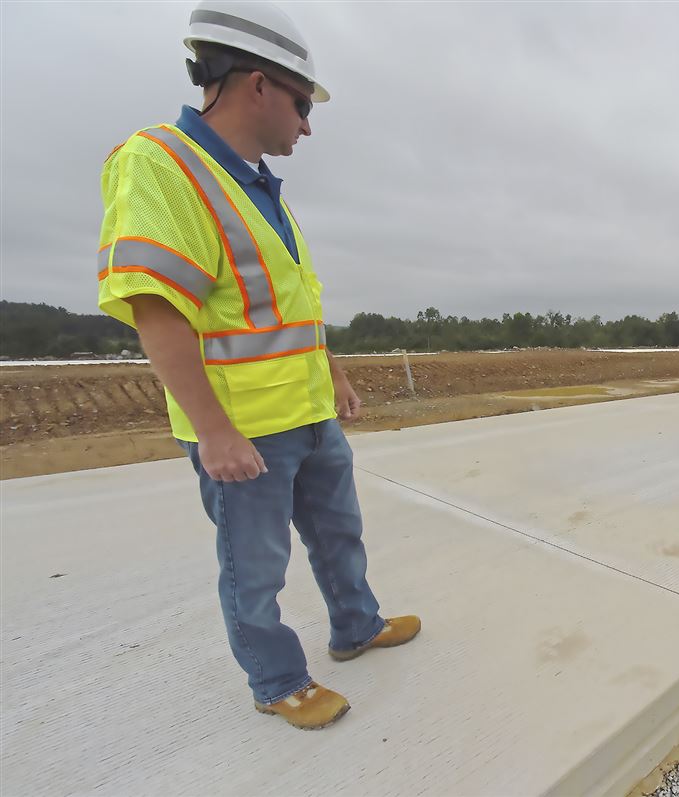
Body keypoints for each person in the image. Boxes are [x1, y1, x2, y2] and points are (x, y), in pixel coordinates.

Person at [95, 0, 419, 730]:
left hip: (307, 412)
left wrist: (330, 370)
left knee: (340, 534)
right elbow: (158, 308)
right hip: (244, 432)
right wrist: (212, 430)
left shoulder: (262, 186)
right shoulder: (162, 163)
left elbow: (290, 302)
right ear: (258, 85)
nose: (307, 124)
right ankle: (277, 680)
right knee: (256, 569)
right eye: (304, 104)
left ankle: (355, 626)